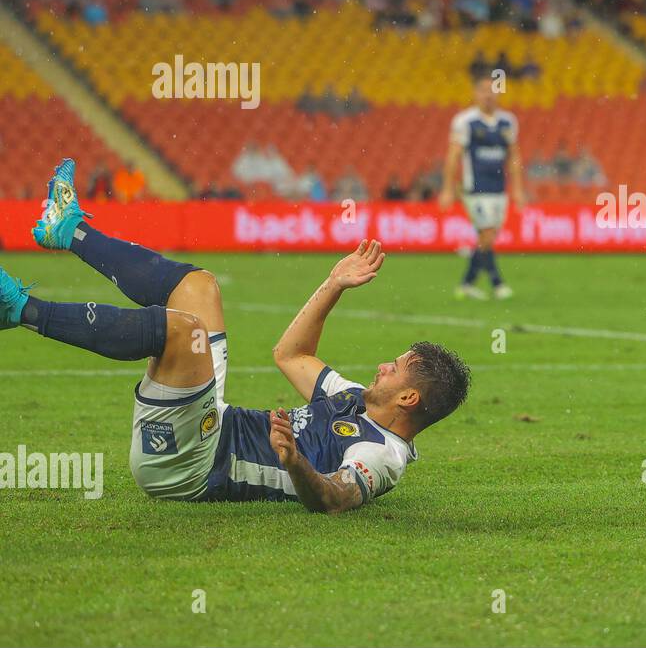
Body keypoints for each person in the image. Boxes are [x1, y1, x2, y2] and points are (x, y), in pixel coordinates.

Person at [2, 159, 470, 511]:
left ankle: (20, 309)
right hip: (214, 423)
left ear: (409, 398)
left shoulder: (381, 454)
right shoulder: (353, 397)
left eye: (397, 367)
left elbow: (335, 499)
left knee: (186, 333)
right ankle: (69, 229)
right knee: (198, 287)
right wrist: (334, 284)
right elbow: (291, 354)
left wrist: (296, 463)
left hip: (193, 465)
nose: (384, 365)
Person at [439, 69, 527, 300]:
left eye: (492, 91)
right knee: (487, 234)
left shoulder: (508, 122)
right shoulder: (465, 121)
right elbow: (453, 156)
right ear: (475, 94)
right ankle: (498, 284)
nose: (488, 95)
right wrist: (448, 189)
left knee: (486, 239)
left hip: (499, 189)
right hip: (475, 188)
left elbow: (514, 156)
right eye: (483, 91)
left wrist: (517, 189)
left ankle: (466, 284)